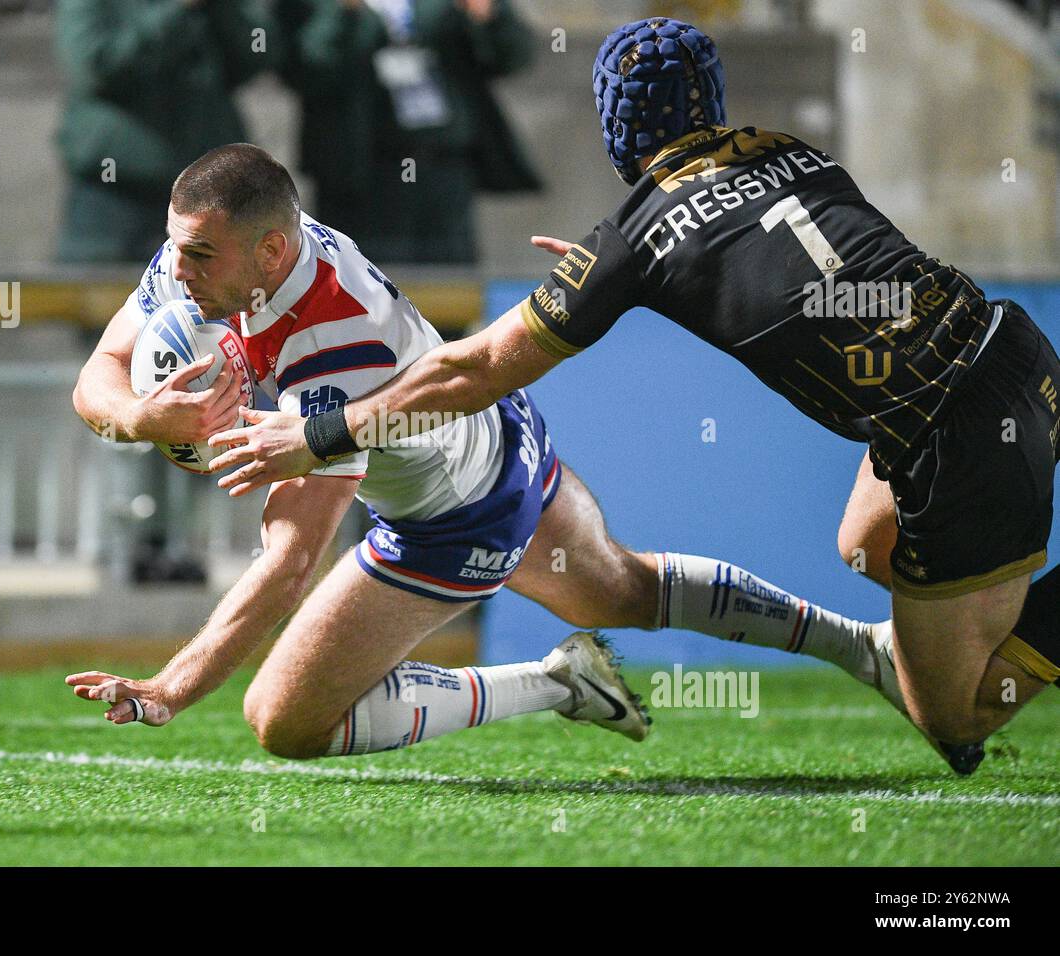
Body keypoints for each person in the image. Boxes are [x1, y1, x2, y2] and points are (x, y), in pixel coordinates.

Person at [208, 18, 1060, 774]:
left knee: (955, 716)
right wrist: (607, 276)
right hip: (1011, 350)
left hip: (951, 431)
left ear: (616, 125)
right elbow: (776, 259)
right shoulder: (789, 150)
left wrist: (320, 434)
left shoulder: (633, 240)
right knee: (864, 545)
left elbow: (468, 376)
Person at [66, 144, 891, 762]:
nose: (177, 268)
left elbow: (289, 562)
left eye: (198, 254)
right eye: (177, 246)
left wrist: (172, 687)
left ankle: (553, 684)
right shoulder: (219, 257)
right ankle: (860, 644)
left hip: (453, 518)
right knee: (621, 588)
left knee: (283, 723)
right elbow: (98, 374)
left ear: (272, 253)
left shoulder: (334, 349)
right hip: (495, 427)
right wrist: (143, 418)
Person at [274, 0, 541, 263]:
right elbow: (304, 69)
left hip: (443, 168)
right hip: (361, 176)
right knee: (363, 287)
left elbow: (514, 56)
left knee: (450, 290)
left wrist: (487, 15)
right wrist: (343, 15)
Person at [54, 0, 276, 264]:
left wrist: (221, 9)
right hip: (114, 194)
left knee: (210, 297)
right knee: (97, 297)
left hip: (206, 196)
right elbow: (96, 67)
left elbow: (260, 54)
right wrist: (177, 10)